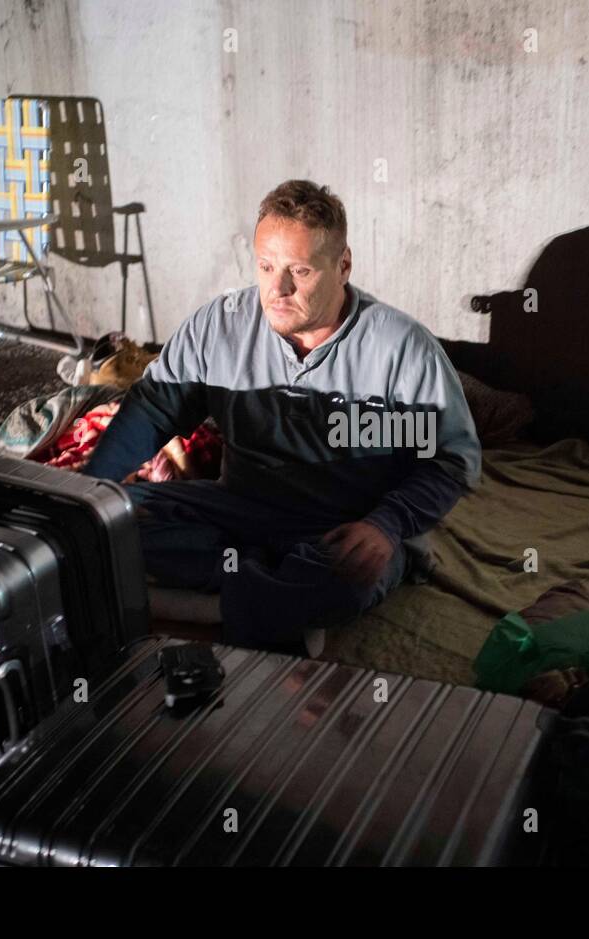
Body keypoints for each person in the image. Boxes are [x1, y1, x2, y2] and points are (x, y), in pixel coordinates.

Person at [83, 179, 481, 651]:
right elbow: (153, 407)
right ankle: (272, 597)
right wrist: (84, 497)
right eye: (266, 267)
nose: (278, 289)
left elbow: (449, 459)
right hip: (240, 509)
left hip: (344, 526)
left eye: (301, 271)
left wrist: (388, 523)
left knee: (346, 578)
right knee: (115, 521)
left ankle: (208, 603)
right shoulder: (220, 326)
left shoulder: (400, 348)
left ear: (343, 266)